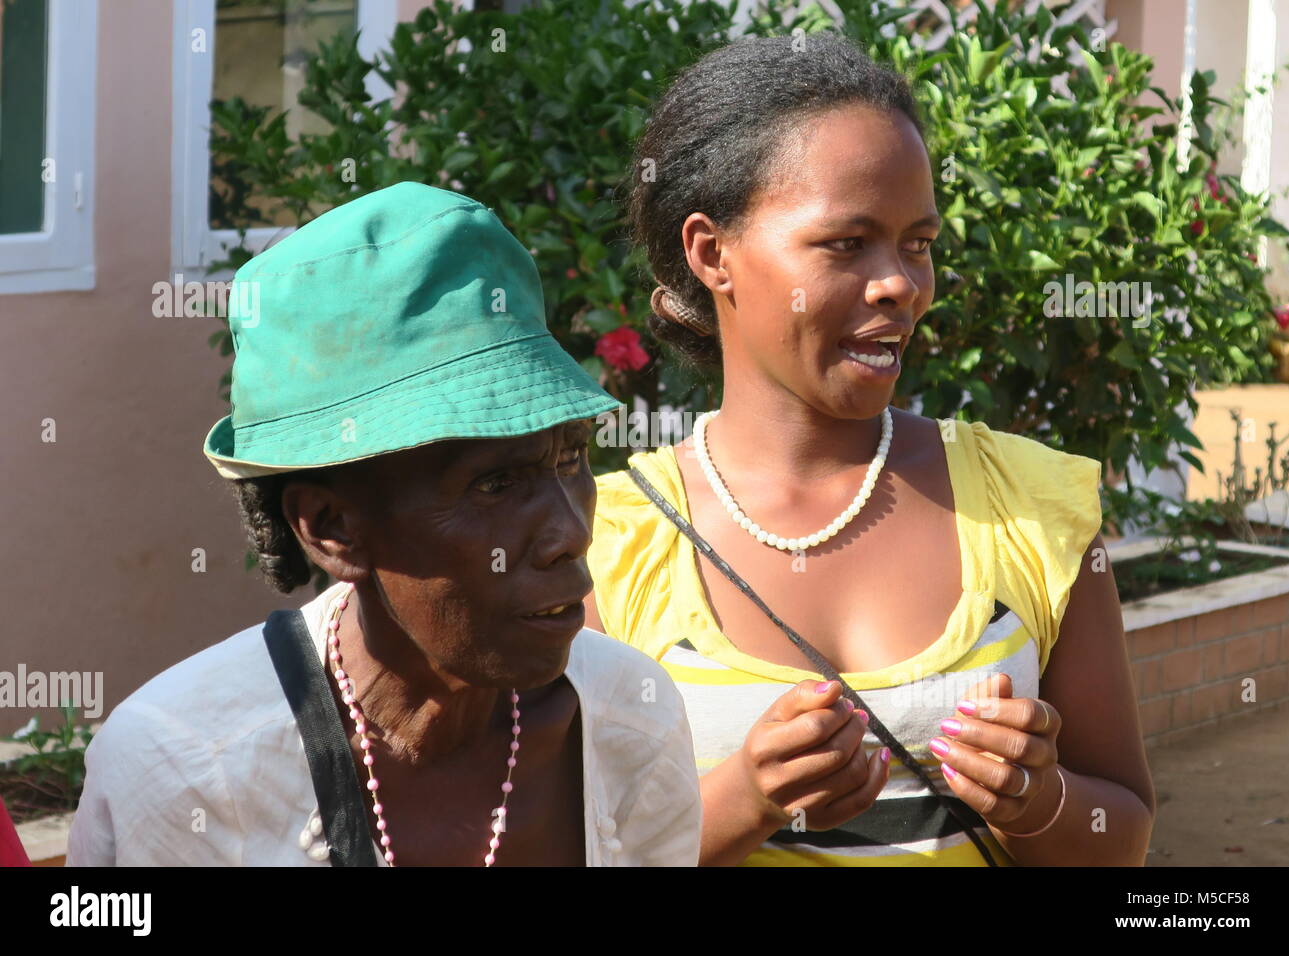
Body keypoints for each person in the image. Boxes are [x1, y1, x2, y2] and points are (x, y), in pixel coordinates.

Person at [584, 34, 1155, 866]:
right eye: (848, 244)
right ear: (712, 254)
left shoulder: (1028, 506)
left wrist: (1042, 801)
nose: (901, 283)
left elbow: (1124, 830)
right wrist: (744, 801)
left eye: (917, 242)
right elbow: (562, 845)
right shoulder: (609, 545)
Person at [67, 182, 701, 866]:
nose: (568, 533)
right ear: (331, 528)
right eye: (495, 483)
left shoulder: (627, 721)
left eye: (571, 457)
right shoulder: (188, 769)